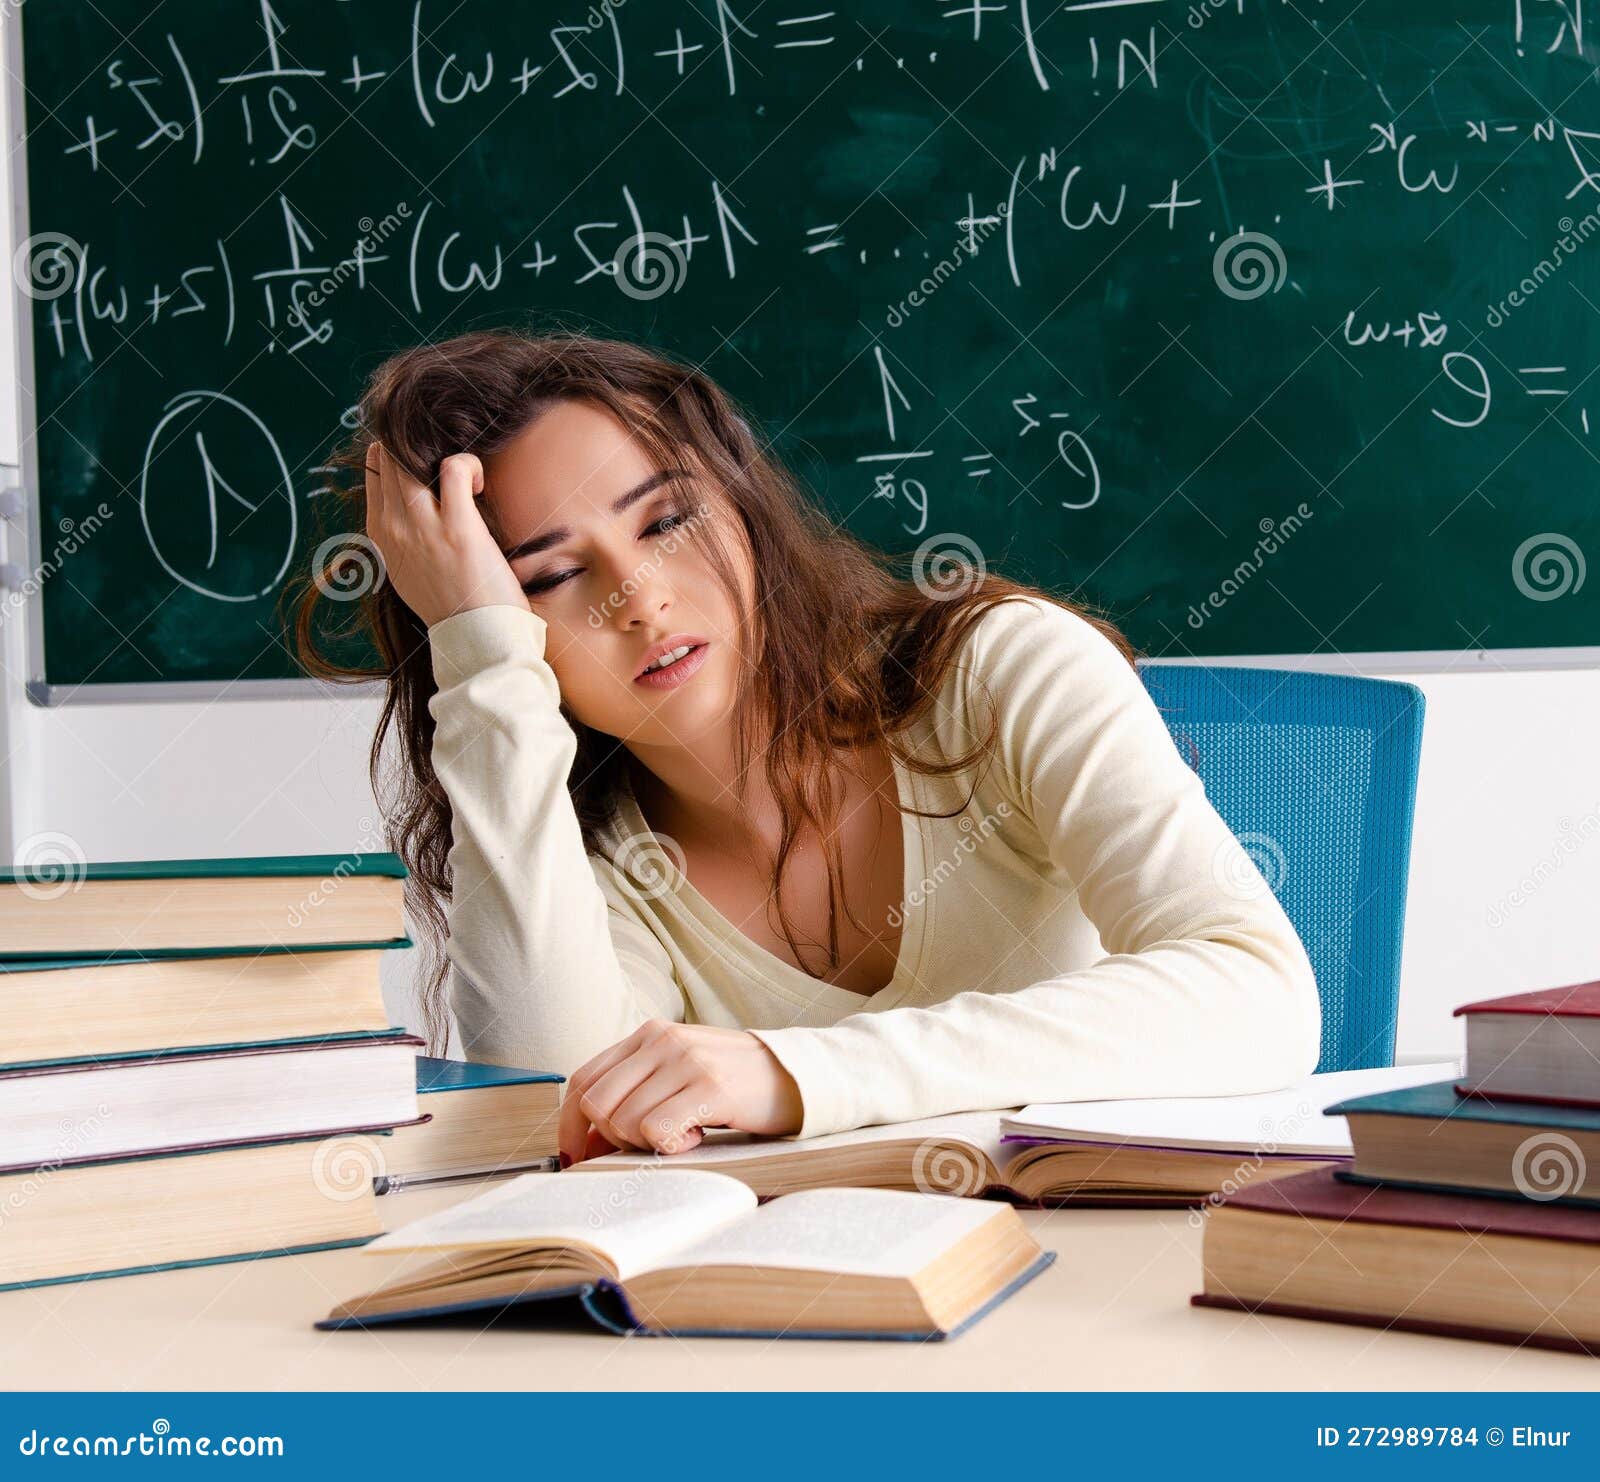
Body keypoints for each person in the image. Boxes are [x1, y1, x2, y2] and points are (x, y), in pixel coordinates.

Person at [295, 329, 1321, 1168]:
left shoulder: (995, 672)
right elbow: (557, 1107)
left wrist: (792, 1074)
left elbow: (1257, 996)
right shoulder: (588, 856)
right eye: (551, 577)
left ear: (741, 508)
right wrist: (479, 657)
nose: (638, 598)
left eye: (666, 519)